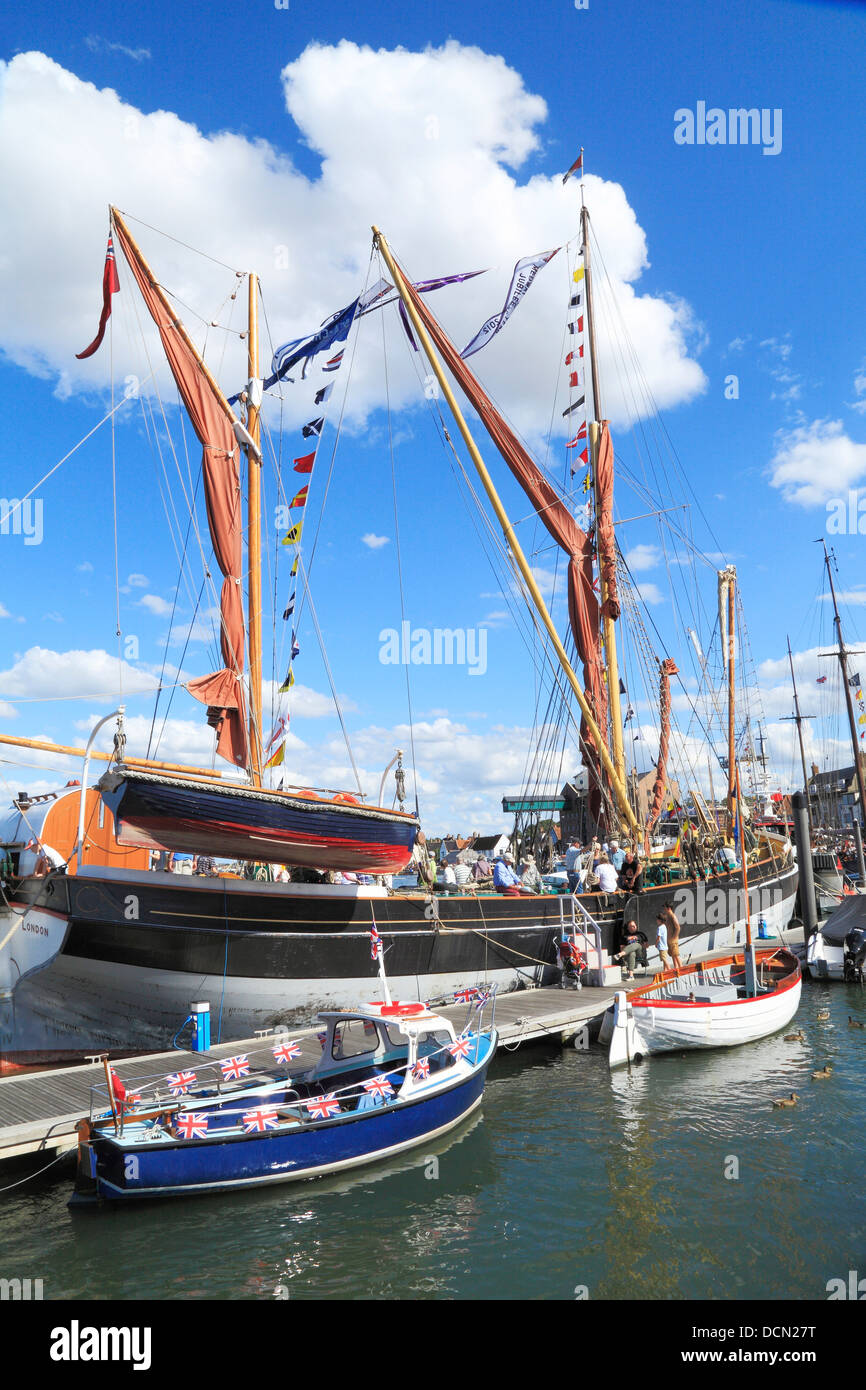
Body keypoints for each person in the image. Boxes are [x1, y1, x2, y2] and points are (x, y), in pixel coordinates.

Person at [658, 901, 681, 972]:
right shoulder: (668, 915)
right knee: (673, 955)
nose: (664, 909)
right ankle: (676, 968)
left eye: (664, 907)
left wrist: (674, 937)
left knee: (676, 955)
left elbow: (678, 927)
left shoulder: (672, 916)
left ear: (668, 908)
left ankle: (681, 968)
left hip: (673, 940)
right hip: (669, 939)